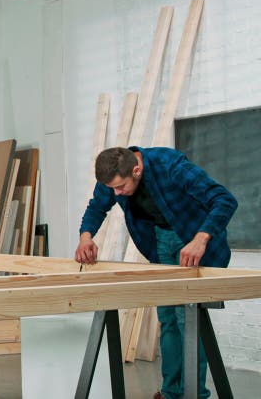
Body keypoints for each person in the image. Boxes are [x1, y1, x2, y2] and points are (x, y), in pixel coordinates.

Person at [76, 146, 237, 399]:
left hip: (194, 240)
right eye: (113, 189)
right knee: (168, 318)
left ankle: (196, 395)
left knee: (189, 320)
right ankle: (172, 393)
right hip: (160, 240)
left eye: (120, 187)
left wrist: (200, 239)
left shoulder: (170, 165)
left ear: (137, 170)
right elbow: (97, 206)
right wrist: (85, 237)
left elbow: (224, 200)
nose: (116, 194)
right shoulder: (115, 176)